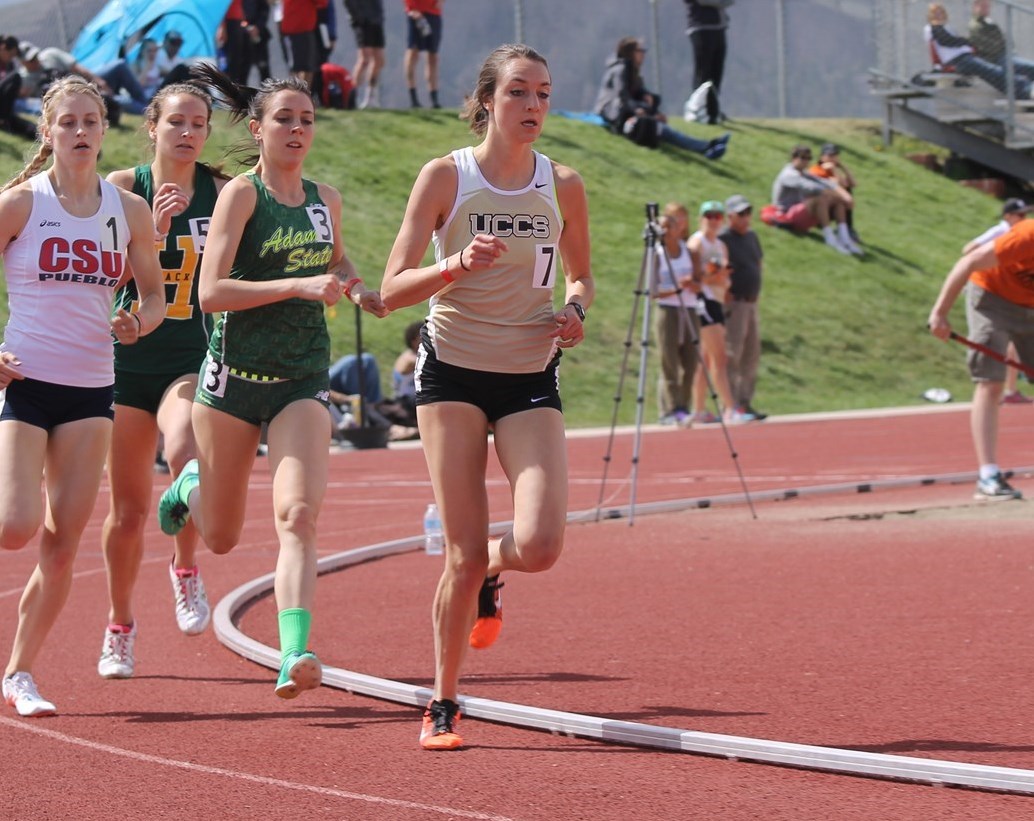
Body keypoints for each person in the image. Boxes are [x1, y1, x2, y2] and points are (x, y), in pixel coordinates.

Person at [381, 44, 593, 750]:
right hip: (454, 376)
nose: (533, 106)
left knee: (540, 544)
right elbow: (390, 290)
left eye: (543, 93)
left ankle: (491, 573)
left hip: (530, 375)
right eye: (518, 94)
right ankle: (443, 701)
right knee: (463, 552)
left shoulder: (562, 184)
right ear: (488, 102)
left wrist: (576, 312)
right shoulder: (447, 176)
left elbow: (582, 278)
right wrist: (455, 264)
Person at [154, 65, 387, 701]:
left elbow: (337, 257)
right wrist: (296, 285)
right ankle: (189, 485)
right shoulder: (242, 197)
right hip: (232, 382)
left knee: (300, 514)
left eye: (306, 119)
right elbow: (211, 293)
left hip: (301, 379)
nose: (296, 129)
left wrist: (361, 288)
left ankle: (295, 652)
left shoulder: (325, 198)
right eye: (284, 118)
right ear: (258, 129)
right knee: (222, 538)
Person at [0, 76, 165, 716]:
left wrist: (139, 322)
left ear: (104, 130)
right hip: (27, 382)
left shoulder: (128, 212)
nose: (80, 132)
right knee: (15, 528)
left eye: (91, 122)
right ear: (49, 131)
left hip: (93, 387)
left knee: (62, 545)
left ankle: (18, 674)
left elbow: (152, 298)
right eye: (67, 122)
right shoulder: (21, 203)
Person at [97, 82, 231, 680]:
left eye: (198, 123)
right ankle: (120, 626)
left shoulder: (224, 193)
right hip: (122, 365)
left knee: (185, 457)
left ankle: (184, 568)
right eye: (176, 121)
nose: (187, 132)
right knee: (126, 513)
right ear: (151, 126)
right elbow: (92, 274)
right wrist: (149, 228)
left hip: (187, 356)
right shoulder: (123, 189)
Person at [927, 217, 1034, 501]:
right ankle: (988, 475)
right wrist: (940, 313)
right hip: (991, 297)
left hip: (1031, 305)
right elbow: (968, 262)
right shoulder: (1027, 235)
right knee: (992, 381)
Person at [594, 36, 729, 159]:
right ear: (631, 53)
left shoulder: (632, 72)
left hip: (625, 113)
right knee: (662, 129)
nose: (643, 54)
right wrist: (640, 111)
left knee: (661, 126)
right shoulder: (621, 69)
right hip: (615, 116)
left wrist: (651, 105)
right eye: (640, 50)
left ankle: (708, 146)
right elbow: (621, 96)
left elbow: (638, 94)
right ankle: (706, 147)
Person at [962, 197, 1033, 405]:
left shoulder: (1024, 233)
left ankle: (1009, 388)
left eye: (1025, 214)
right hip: (992, 291)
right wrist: (987, 263)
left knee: (1014, 344)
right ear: (1007, 216)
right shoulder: (1001, 231)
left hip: (1016, 293)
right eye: (1019, 215)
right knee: (1004, 344)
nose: (1023, 218)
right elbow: (968, 250)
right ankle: (1001, 387)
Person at [687, 201, 751, 425]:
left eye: (717, 216)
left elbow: (722, 276)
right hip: (702, 301)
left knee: (705, 358)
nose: (713, 220)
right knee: (720, 357)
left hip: (715, 299)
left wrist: (722, 275)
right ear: (701, 218)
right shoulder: (697, 243)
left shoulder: (720, 245)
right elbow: (695, 279)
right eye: (709, 215)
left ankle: (699, 409)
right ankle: (729, 408)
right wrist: (715, 273)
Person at [719, 194, 766, 420]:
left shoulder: (752, 237)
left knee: (751, 354)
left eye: (748, 213)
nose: (746, 218)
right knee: (732, 353)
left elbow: (758, 263)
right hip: (734, 303)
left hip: (751, 303)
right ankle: (731, 403)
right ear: (730, 216)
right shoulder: (723, 239)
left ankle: (746, 403)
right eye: (741, 214)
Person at [924, 3, 1033, 99]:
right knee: (991, 70)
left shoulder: (944, 27)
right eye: (936, 13)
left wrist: (965, 42)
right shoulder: (933, 28)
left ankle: (1023, 89)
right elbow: (946, 40)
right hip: (957, 61)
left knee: (992, 71)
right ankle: (1024, 90)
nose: (939, 15)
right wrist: (965, 41)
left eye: (941, 12)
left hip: (964, 58)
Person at [652, 203, 699, 426]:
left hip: (689, 309)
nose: (666, 232)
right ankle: (670, 409)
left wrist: (694, 284)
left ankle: (684, 406)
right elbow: (652, 291)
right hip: (667, 310)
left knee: (690, 362)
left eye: (669, 227)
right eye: (661, 228)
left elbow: (700, 283)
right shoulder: (657, 255)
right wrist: (676, 289)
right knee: (669, 360)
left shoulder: (689, 251)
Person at [770, 144, 862, 256]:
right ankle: (830, 238)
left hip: (801, 213)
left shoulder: (803, 172)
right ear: (794, 158)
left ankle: (845, 239)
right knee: (821, 197)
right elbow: (810, 187)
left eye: (808, 158)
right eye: (803, 158)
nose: (806, 161)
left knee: (838, 200)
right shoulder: (789, 174)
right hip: (786, 216)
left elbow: (822, 182)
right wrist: (837, 192)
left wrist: (843, 194)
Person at [18, 42, 150, 116]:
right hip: (77, 96)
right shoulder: (24, 79)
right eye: (31, 60)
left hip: (85, 81)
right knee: (114, 100)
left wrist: (99, 81)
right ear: (23, 62)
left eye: (35, 56)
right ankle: (148, 112)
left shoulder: (50, 54)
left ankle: (147, 103)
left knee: (119, 66)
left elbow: (78, 68)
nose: (35, 60)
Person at [683, 0, 733, 124]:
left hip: (719, 27)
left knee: (717, 71)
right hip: (701, 27)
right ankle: (697, 110)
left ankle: (713, 110)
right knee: (703, 73)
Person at [809, 143, 858, 242]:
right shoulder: (817, 170)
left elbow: (853, 184)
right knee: (843, 195)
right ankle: (846, 228)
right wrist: (835, 169)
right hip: (818, 209)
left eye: (835, 155)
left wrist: (843, 167)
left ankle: (847, 228)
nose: (833, 158)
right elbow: (840, 186)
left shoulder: (831, 170)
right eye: (830, 156)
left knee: (847, 192)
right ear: (822, 157)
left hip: (829, 205)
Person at [345, 0, 386, 109]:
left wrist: (379, 15)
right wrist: (357, 17)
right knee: (364, 60)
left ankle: (370, 97)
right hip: (362, 22)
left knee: (379, 60)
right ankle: (351, 96)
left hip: (376, 20)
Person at [403, 0, 443, 108]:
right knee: (413, 53)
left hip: (434, 13)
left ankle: (434, 99)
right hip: (416, 12)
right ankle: (413, 98)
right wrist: (411, 7)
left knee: (433, 56)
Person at [281, 0, 329, 87]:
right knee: (295, 69)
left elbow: (322, 3)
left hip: (306, 30)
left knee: (309, 68)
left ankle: (304, 95)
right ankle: (294, 97)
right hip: (293, 31)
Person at [0, 35, 33, 139]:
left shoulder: (9, 66)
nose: (11, 58)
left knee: (32, 129)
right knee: (16, 77)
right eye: (10, 55)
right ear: (3, 47)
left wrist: (19, 93)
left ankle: (5, 120)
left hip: (4, 109)